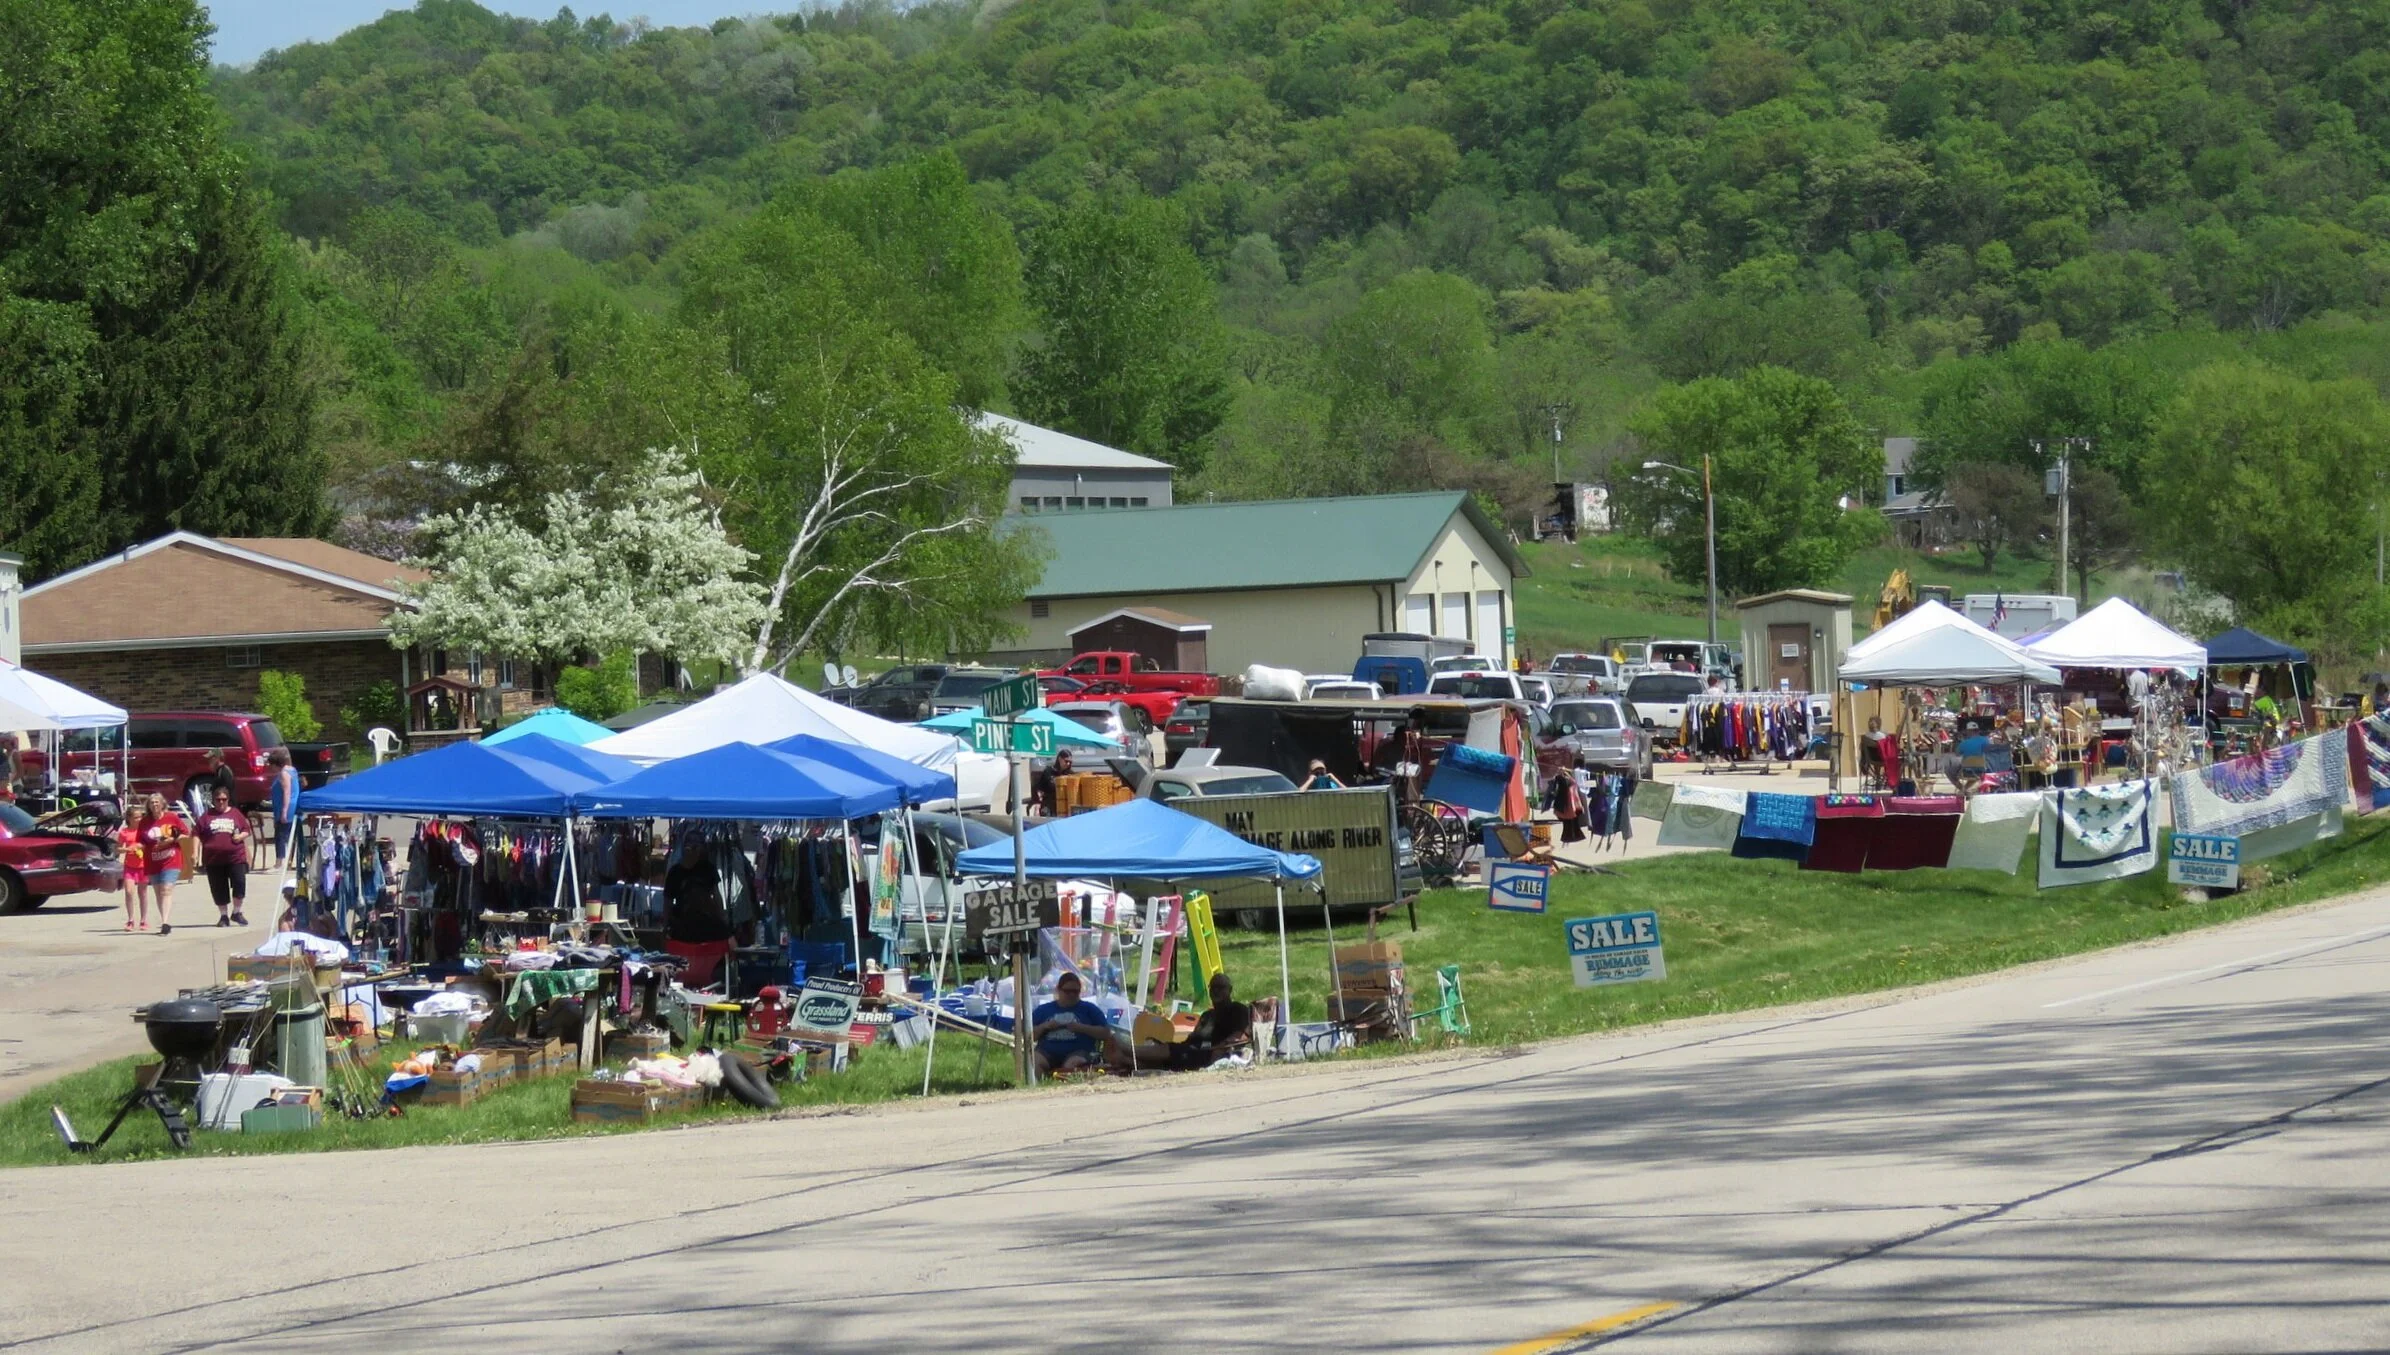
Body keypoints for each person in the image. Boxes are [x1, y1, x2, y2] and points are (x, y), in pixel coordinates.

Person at [1137, 972, 1253, 1070]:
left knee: (1169, 1050)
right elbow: (1191, 1040)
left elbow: (1241, 1036)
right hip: (1190, 1052)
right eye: (1213, 987)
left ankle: (1130, 1051)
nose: (1216, 991)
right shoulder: (1207, 1015)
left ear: (1230, 990)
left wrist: (1219, 1050)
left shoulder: (1237, 1010)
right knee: (1155, 1055)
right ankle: (1125, 1057)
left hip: (1207, 1055)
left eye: (1220, 987)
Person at [1029, 970, 1123, 1077]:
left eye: (1075, 991)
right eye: (1067, 991)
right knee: (1034, 1060)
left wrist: (1081, 1028)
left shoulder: (1089, 1009)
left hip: (1079, 1052)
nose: (1071, 995)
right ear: (1058, 990)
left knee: (1073, 1064)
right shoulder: (1043, 1010)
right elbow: (1029, 1036)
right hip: (1046, 1052)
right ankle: (1038, 1087)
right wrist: (1045, 1026)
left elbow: (1106, 1033)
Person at [196, 786, 252, 927]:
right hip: (213, 859)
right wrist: (194, 852)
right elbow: (196, 833)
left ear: (228, 800)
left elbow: (246, 829)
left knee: (239, 884)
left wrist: (240, 836)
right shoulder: (207, 816)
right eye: (218, 799)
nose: (221, 802)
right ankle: (223, 916)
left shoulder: (235, 813)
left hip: (235, 857)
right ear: (213, 800)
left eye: (224, 799)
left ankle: (237, 912)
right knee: (219, 888)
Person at [141, 792, 187, 935]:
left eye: (157, 802)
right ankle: (164, 919)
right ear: (148, 806)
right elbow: (141, 840)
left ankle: (165, 923)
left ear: (162, 804)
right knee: (158, 892)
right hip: (153, 861)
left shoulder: (172, 817)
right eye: (152, 802)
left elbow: (185, 834)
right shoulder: (144, 822)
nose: (155, 805)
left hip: (171, 860)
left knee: (166, 889)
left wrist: (171, 840)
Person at [116, 800, 150, 932]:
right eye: (136, 817)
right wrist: (127, 850)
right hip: (129, 866)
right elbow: (118, 849)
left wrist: (141, 848)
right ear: (129, 818)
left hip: (143, 865)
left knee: (143, 893)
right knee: (129, 892)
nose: (139, 819)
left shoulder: (144, 831)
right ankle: (130, 919)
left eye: (140, 816)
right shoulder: (124, 832)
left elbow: (150, 845)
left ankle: (143, 920)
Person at [266, 748, 300, 867]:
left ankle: (279, 862)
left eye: (271, 765)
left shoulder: (283, 774)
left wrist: (284, 812)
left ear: (277, 764)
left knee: (280, 835)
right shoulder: (292, 770)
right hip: (290, 806)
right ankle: (290, 860)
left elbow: (287, 792)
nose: (270, 767)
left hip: (286, 807)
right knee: (289, 834)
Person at [1030, 748, 1073, 815]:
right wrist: (1037, 806)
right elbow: (1039, 789)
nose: (1068, 764)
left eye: (1070, 762)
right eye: (1066, 761)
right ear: (1060, 759)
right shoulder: (1048, 772)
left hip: (1064, 806)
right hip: (1049, 805)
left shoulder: (1070, 774)